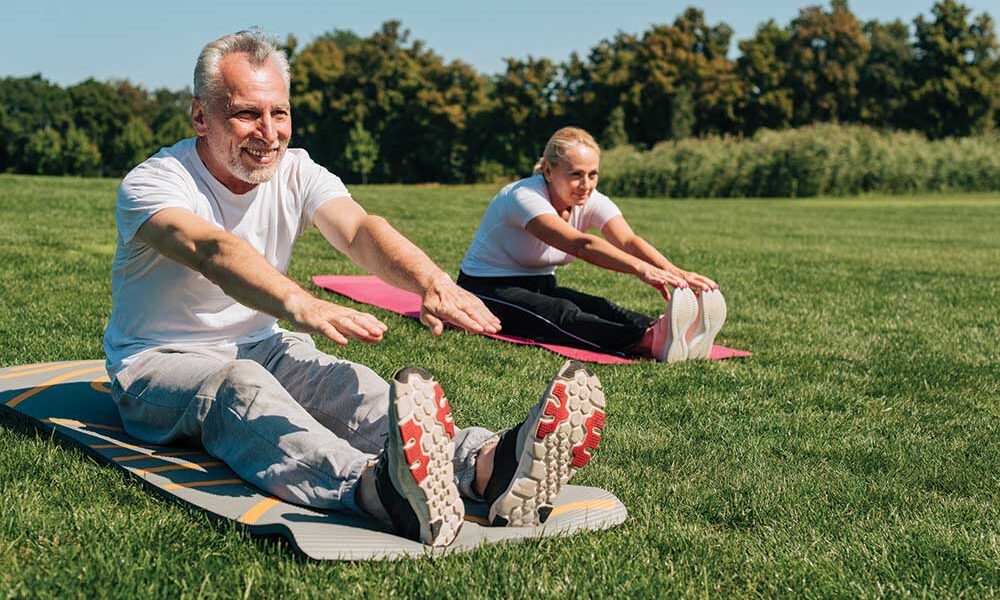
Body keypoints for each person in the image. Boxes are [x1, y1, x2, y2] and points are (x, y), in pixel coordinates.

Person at [103, 29, 606, 547]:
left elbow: (360, 230)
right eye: (246, 114)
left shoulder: (296, 170)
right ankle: (374, 487)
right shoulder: (155, 182)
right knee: (238, 390)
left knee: (347, 384)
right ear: (200, 116)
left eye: (280, 113)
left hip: (264, 345)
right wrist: (299, 302)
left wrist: (430, 282)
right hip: (157, 362)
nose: (269, 132)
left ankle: (485, 466)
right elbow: (212, 250)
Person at [457, 127, 727, 363]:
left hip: (539, 284)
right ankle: (646, 341)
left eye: (593, 174)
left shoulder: (590, 199)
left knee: (599, 306)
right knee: (561, 313)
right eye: (576, 174)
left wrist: (675, 272)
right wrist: (640, 269)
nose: (586, 185)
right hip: (486, 289)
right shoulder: (523, 196)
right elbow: (580, 245)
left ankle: (666, 332)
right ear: (549, 171)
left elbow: (628, 240)